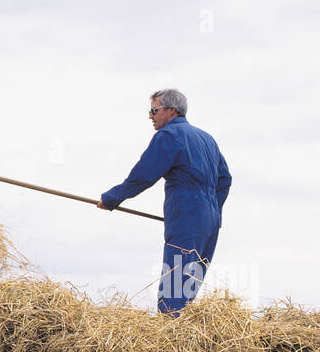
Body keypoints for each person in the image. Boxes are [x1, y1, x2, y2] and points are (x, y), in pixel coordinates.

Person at [98, 89, 231, 315]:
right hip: (210, 219)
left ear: (170, 111)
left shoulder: (169, 136)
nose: (150, 116)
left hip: (187, 212)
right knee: (191, 279)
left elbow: (144, 175)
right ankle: (183, 328)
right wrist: (212, 210)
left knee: (176, 277)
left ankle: (170, 329)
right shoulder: (207, 139)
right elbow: (225, 179)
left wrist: (111, 198)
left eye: (154, 110)